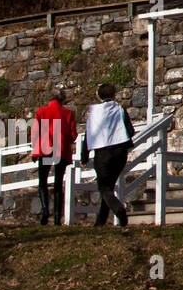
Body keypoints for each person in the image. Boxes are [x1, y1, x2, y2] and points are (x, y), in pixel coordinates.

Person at [82, 82, 134, 227]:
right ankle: (100, 222)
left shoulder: (95, 113)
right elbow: (130, 131)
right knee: (109, 187)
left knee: (104, 188)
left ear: (99, 96)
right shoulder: (120, 110)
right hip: (120, 153)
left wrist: (84, 156)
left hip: (103, 154)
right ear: (113, 94)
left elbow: (89, 135)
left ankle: (119, 209)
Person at [32, 88, 77, 225]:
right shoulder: (68, 113)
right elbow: (73, 135)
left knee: (42, 182)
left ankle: (45, 210)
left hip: (45, 148)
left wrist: (35, 149)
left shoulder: (41, 112)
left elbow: (35, 133)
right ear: (62, 99)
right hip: (60, 149)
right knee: (58, 184)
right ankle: (57, 218)